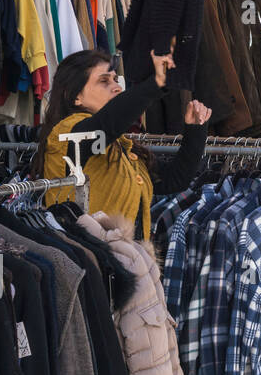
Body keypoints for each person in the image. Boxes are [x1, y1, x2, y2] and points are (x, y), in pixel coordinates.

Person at [37, 49, 211, 241]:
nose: (117, 87)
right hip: (88, 264)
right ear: (75, 96)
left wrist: (195, 130)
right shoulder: (68, 134)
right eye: (104, 81)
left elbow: (173, 180)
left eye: (115, 80)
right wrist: (157, 83)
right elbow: (106, 124)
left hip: (127, 265)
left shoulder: (119, 145)